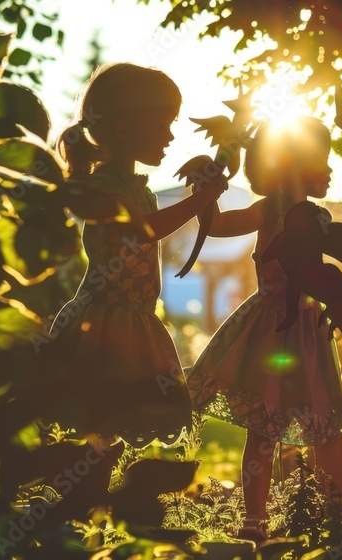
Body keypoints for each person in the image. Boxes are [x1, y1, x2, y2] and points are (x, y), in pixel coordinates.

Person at [184, 116, 342, 541]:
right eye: (322, 162)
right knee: (264, 425)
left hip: (309, 330)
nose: (330, 170)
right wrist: (206, 192)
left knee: (325, 424)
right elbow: (218, 226)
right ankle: (256, 520)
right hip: (272, 328)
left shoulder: (317, 216)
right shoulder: (272, 208)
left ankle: (336, 516)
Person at [47, 63, 225, 449]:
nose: (170, 135)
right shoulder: (104, 187)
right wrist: (199, 201)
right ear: (124, 129)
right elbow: (139, 231)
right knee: (99, 422)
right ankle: (81, 482)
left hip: (134, 323)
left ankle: (94, 484)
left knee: (113, 427)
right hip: (103, 325)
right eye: (162, 124)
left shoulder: (140, 190)